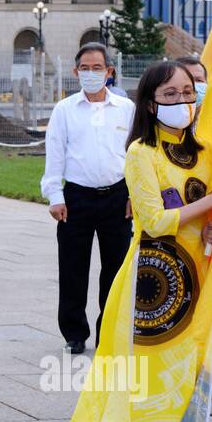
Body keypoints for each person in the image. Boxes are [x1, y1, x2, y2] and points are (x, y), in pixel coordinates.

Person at [61, 60, 212, 422]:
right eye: (170, 95)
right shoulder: (141, 153)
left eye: (188, 92)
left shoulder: (205, 152)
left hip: (199, 278)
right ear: (151, 103)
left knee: (195, 386)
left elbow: (207, 219)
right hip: (156, 286)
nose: (182, 101)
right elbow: (154, 220)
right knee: (158, 392)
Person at [41, 43, 134, 354]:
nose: (91, 73)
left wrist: (134, 195)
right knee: (73, 267)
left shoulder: (126, 108)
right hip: (76, 197)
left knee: (116, 268)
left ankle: (109, 331)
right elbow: (55, 153)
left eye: (97, 68)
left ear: (109, 71)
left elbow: (136, 154)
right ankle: (74, 333)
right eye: (85, 68)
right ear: (75, 71)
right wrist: (55, 195)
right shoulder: (65, 109)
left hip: (117, 196)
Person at [174, 57, 212, 403]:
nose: (195, 89)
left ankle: (205, 374)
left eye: (200, 81)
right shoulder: (165, 133)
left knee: (210, 306)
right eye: (188, 82)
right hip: (177, 241)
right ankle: (177, 381)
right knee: (179, 312)